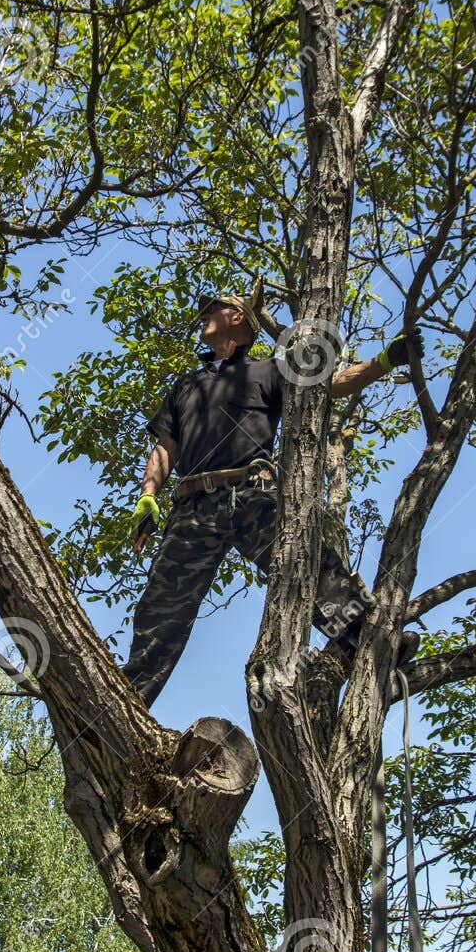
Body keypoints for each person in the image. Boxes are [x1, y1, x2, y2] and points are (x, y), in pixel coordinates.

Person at [123, 291, 423, 708]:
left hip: (253, 495)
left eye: (211, 309)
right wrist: (148, 497)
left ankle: (374, 649)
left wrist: (384, 362)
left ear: (237, 318)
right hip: (193, 506)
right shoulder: (187, 385)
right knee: (160, 610)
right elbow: (164, 448)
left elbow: (330, 385)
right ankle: (128, 703)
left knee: (310, 564)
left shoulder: (269, 371)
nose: (202, 315)